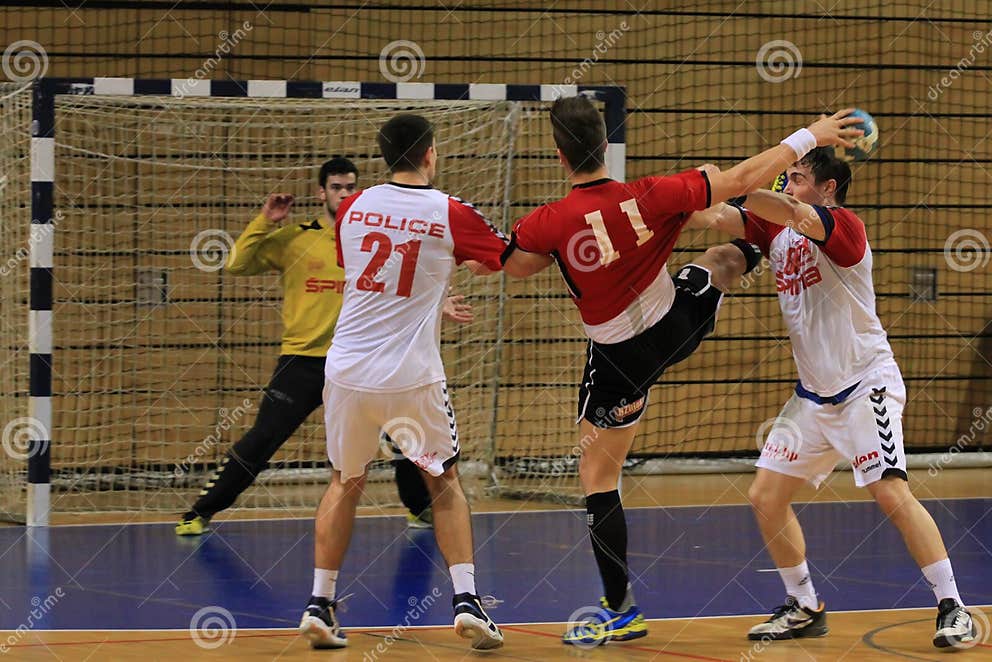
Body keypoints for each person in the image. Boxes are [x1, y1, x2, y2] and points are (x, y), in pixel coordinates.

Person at [499, 95, 861, 646]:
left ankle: (621, 611)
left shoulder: (548, 221)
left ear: (559, 155)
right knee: (720, 259)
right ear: (606, 146)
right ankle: (761, 246)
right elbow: (737, 182)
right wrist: (809, 134)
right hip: (676, 328)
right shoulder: (651, 193)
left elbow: (516, 266)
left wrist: (552, 250)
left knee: (599, 480)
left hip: (620, 363)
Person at [695, 147, 976, 649]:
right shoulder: (777, 232)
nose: (789, 184)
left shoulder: (843, 227)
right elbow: (715, 214)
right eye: (787, 177)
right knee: (765, 497)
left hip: (866, 386)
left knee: (889, 492)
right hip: (813, 398)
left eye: (798, 177)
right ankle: (804, 605)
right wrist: (662, 202)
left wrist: (735, 180)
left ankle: (953, 606)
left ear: (827, 189)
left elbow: (787, 208)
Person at [299, 114, 506, 650]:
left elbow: (381, 281)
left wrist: (434, 299)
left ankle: (319, 602)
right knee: (444, 483)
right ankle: (467, 601)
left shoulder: (351, 209)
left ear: (385, 155)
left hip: (347, 370)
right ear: (431, 154)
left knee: (345, 481)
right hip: (410, 376)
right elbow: (500, 259)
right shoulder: (449, 211)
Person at [175, 157, 452, 536]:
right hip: (303, 362)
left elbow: (405, 285)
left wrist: (440, 303)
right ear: (322, 193)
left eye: (350, 187)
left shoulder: (374, 239)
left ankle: (419, 509)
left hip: (362, 361)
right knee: (264, 437)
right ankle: (200, 512)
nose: (344, 193)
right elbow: (237, 264)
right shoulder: (298, 238)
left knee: (404, 437)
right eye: (336, 187)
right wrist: (266, 221)